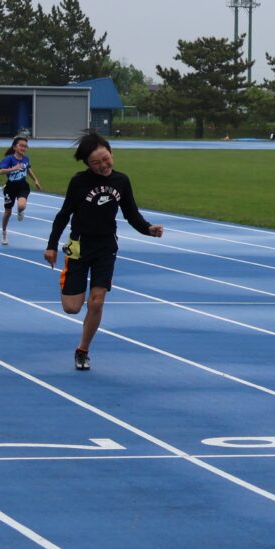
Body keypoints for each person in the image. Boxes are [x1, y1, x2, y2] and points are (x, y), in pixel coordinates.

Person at [44, 131, 164, 371]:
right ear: (87, 164)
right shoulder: (79, 182)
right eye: (96, 163)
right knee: (72, 308)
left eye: (106, 159)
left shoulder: (121, 181)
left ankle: (83, 350)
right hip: (79, 246)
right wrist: (51, 246)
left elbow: (131, 214)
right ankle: (68, 281)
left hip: (106, 247)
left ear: (111, 153)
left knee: (96, 302)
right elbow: (63, 214)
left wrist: (148, 229)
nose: (103, 166)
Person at [0, 136, 44, 245]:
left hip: (23, 186)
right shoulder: (9, 159)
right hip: (10, 188)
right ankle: (4, 232)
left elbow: (28, 169)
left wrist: (36, 180)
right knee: (8, 212)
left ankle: (20, 211)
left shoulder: (26, 159)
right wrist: (13, 169)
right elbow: (1, 171)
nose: (23, 148)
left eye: (25, 146)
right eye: (21, 145)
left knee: (22, 205)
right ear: (14, 147)